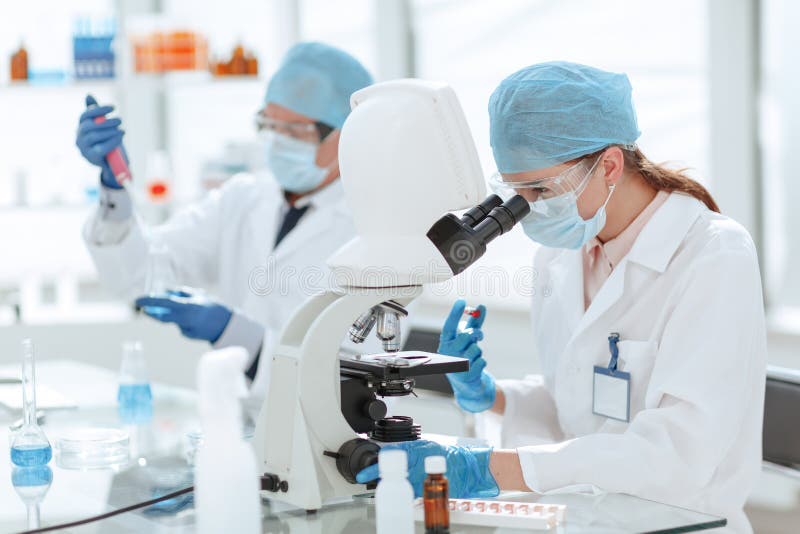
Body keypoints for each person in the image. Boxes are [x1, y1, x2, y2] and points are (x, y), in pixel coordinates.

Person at [357, 61, 766, 534]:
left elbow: (678, 453)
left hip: (679, 521)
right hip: (582, 517)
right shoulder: (559, 255)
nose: (527, 208)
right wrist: (495, 397)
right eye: (514, 191)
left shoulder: (712, 255)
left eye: (540, 188)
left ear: (609, 166)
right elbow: (577, 407)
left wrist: (484, 468)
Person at [76, 42, 373, 399]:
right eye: (269, 124)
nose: (279, 141)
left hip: (329, 427)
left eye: (296, 131)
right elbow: (142, 275)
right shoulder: (242, 198)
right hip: (234, 417)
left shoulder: (375, 227)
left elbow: (355, 372)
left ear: (347, 133)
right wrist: (115, 191)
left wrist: (235, 332)